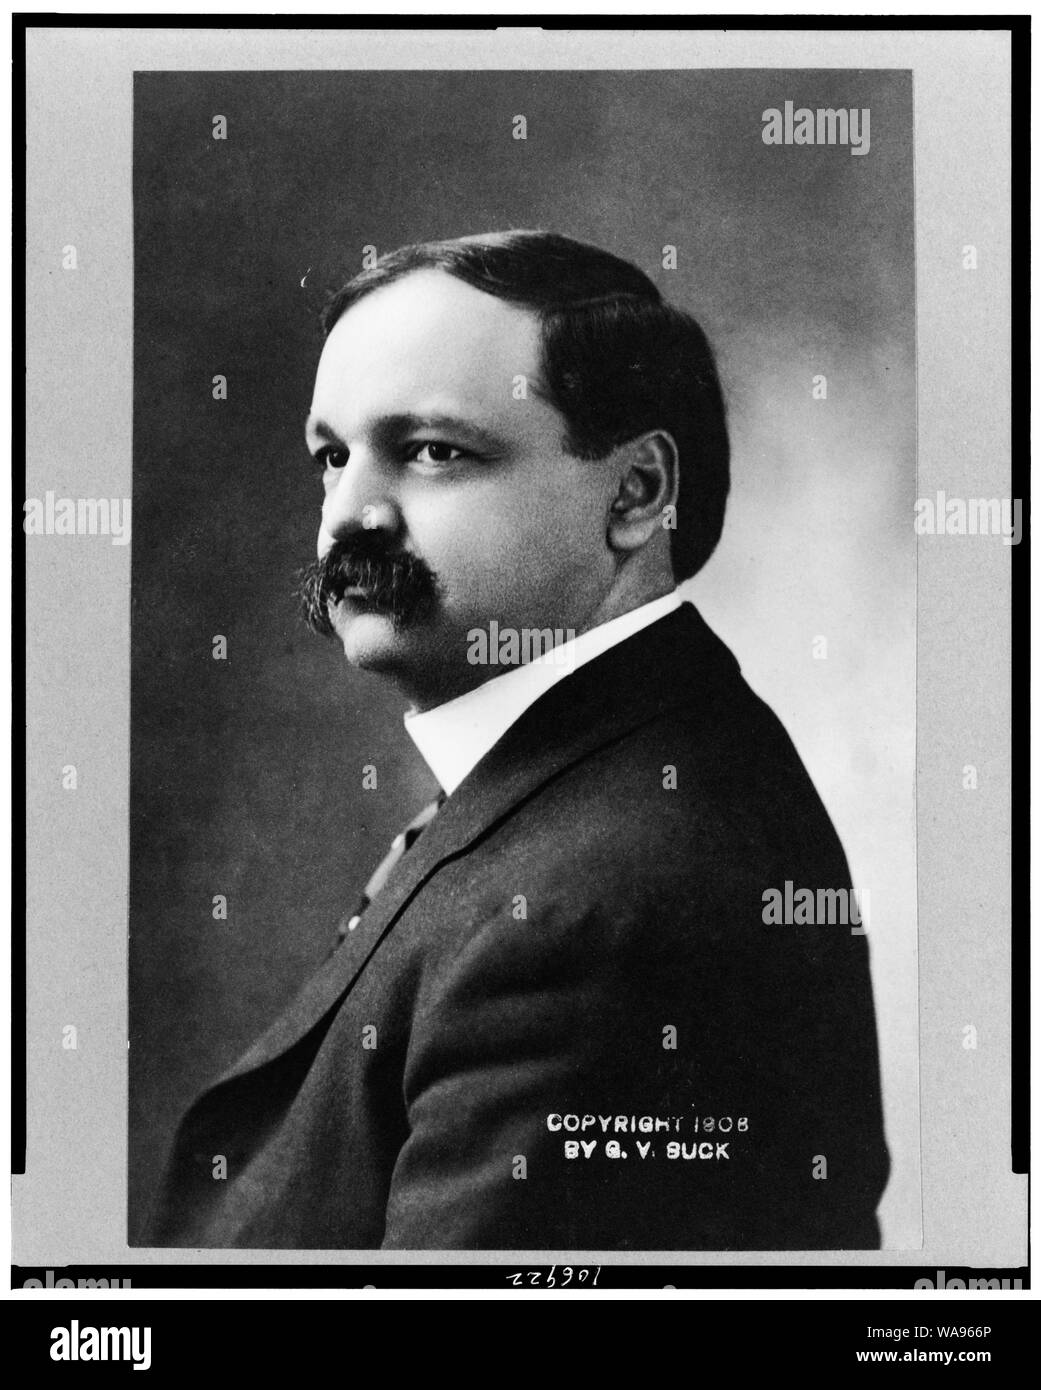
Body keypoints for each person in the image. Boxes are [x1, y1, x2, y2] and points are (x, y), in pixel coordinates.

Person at [148, 230, 889, 1250]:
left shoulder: (597, 910)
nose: (348, 516)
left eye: (432, 452)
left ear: (634, 494)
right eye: (333, 456)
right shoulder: (602, 771)